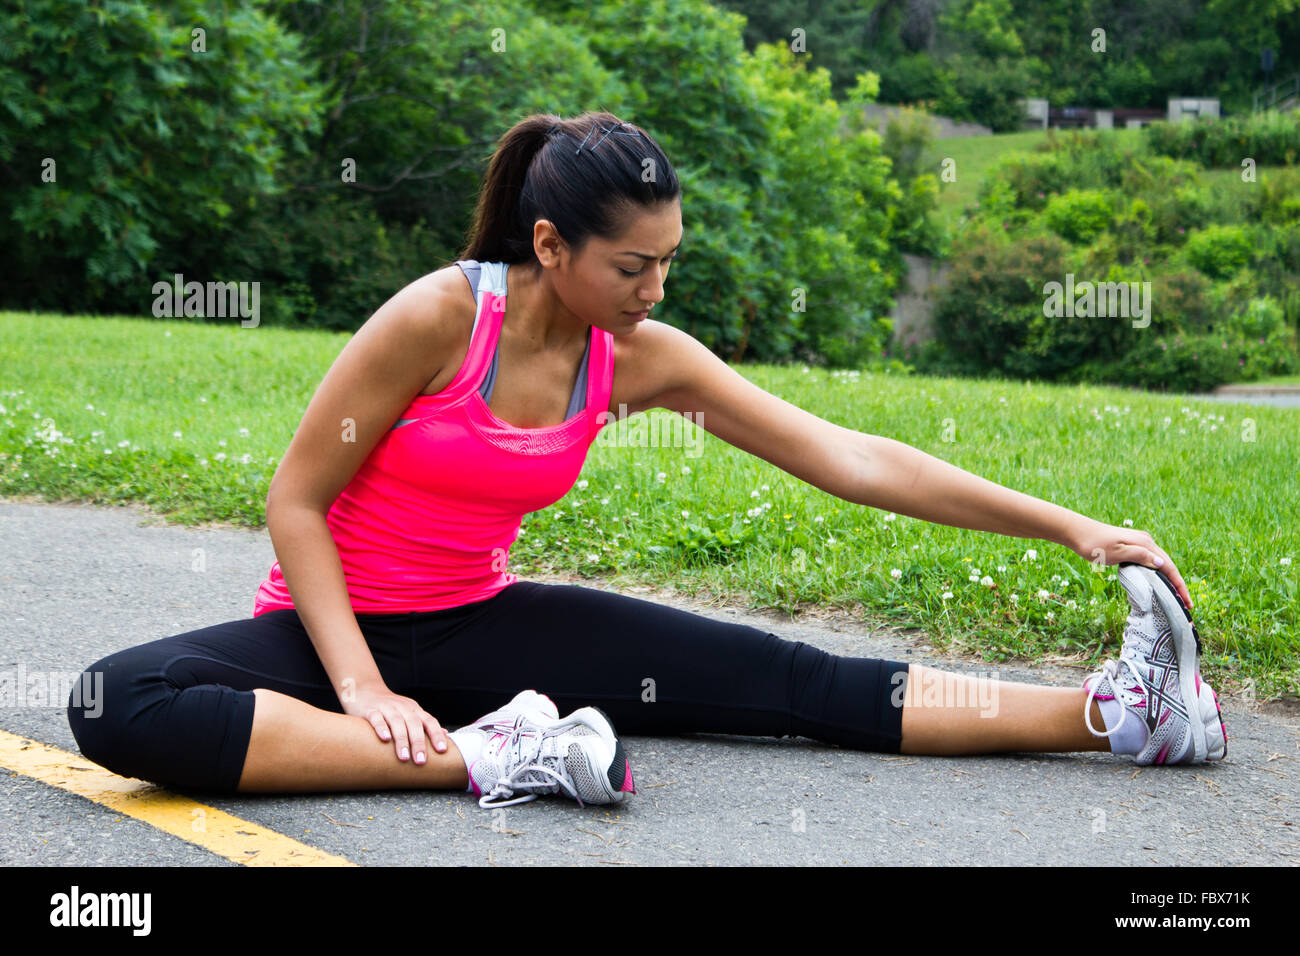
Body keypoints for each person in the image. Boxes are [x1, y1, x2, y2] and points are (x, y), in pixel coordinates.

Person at [67, 112, 1227, 811]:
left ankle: (1122, 714)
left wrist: (1073, 525)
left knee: (791, 681)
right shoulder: (434, 320)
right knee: (117, 700)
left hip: (485, 624)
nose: (656, 289)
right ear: (548, 244)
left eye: (668, 260)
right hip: (331, 638)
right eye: (634, 265)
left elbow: (850, 457)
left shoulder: (634, 356)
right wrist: (367, 689)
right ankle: (498, 756)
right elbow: (295, 500)